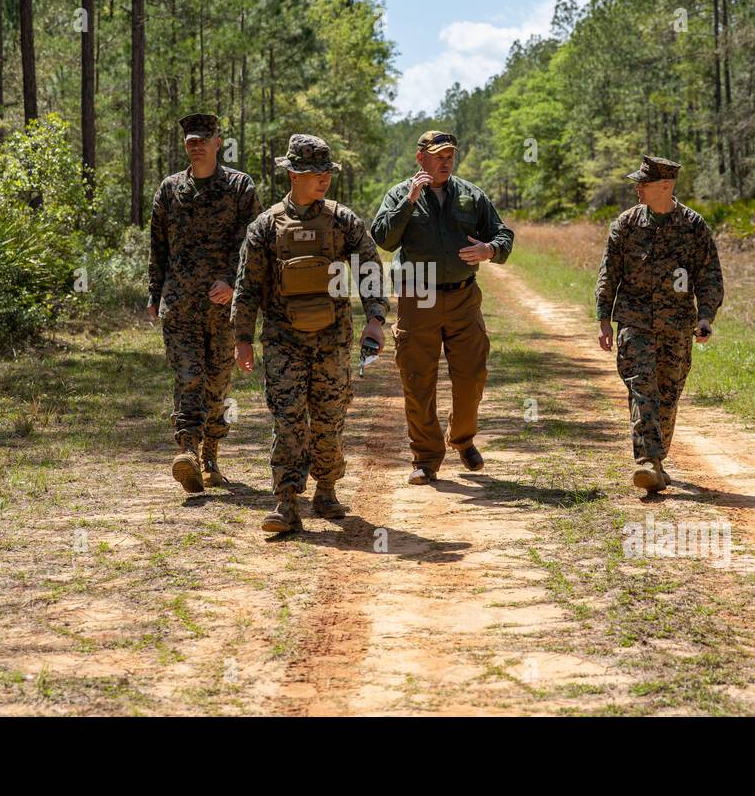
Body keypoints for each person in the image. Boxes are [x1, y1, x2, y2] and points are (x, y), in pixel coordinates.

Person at [231, 134, 388, 533]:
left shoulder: (342, 220)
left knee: (329, 419)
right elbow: (247, 285)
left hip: (332, 341)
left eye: (327, 173)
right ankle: (285, 502)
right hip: (284, 341)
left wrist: (375, 318)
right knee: (287, 421)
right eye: (316, 173)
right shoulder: (266, 226)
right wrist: (242, 338)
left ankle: (327, 490)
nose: (324, 180)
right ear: (293, 174)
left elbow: (369, 269)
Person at [370, 130, 514, 485]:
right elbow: (383, 238)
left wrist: (489, 250)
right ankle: (425, 458)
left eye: (450, 155)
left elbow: (503, 234)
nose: (446, 161)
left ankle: (462, 439)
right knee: (418, 378)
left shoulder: (471, 195)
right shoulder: (400, 193)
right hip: (418, 297)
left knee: (471, 375)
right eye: (438, 155)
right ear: (420, 158)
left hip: (463, 296)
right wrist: (409, 200)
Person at [594, 155, 724, 494]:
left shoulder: (693, 226)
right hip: (634, 322)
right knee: (643, 388)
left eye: (644, 183)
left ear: (665, 187)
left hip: (678, 325)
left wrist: (706, 315)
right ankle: (647, 461)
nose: (637, 187)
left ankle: (658, 459)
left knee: (668, 393)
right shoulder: (626, 224)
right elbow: (609, 273)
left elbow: (709, 275)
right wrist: (604, 319)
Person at [148, 113, 261, 494]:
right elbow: (158, 247)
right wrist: (153, 293)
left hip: (222, 307)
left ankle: (211, 453)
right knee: (188, 376)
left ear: (218, 142)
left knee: (217, 382)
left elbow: (250, 244)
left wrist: (232, 282)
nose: (195, 146)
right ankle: (188, 453)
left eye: (203, 139)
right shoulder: (169, 190)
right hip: (179, 304)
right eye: (190, 141)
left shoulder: (239, 187)